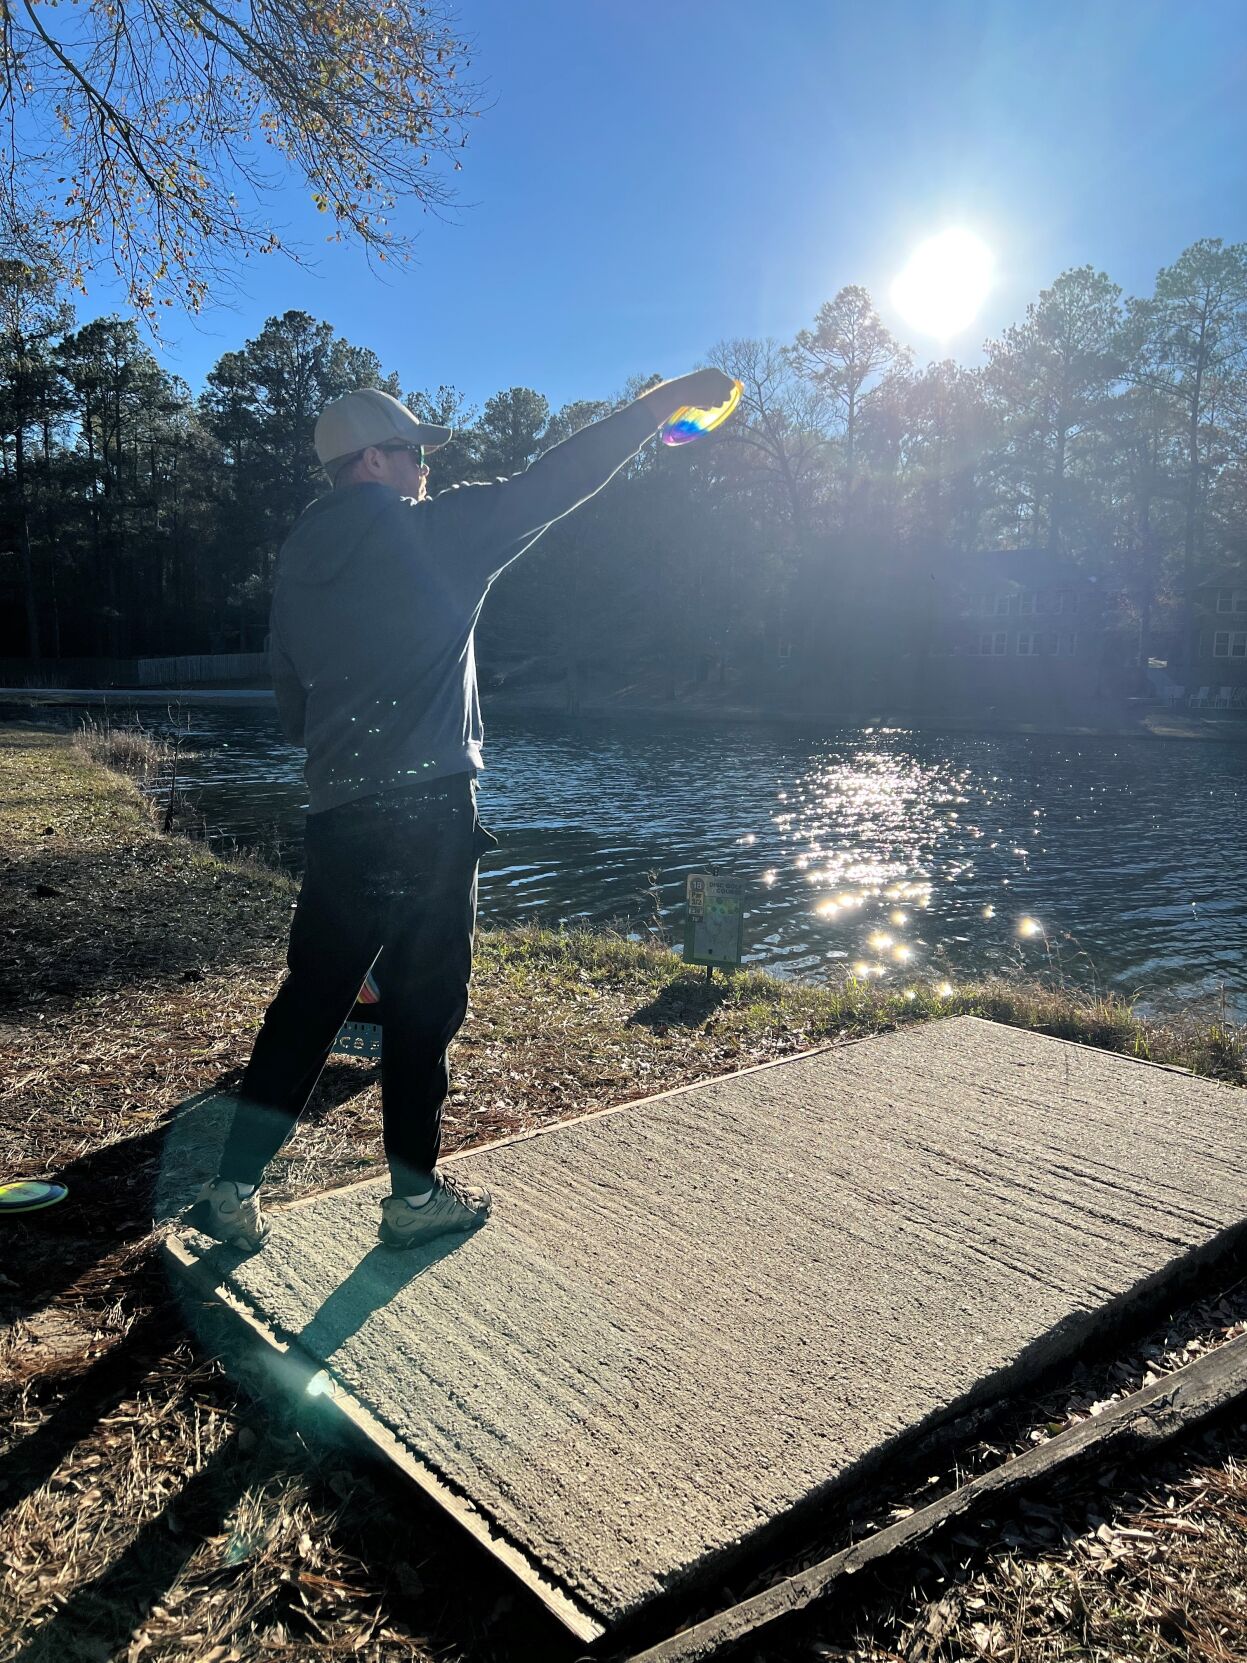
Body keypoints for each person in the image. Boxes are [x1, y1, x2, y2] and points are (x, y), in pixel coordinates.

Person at [185, 369, 736, 1253]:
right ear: (373, 459)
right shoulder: (429, 537)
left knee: (311, 1000)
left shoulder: (298, 560)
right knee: (423, 1005)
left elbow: (290, 706)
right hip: (430, 814)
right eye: (412, 452)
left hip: (337, 810)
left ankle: (232, 1187)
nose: (424, 468)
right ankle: (410, 1200)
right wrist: (657, 403)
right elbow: (557, 482)